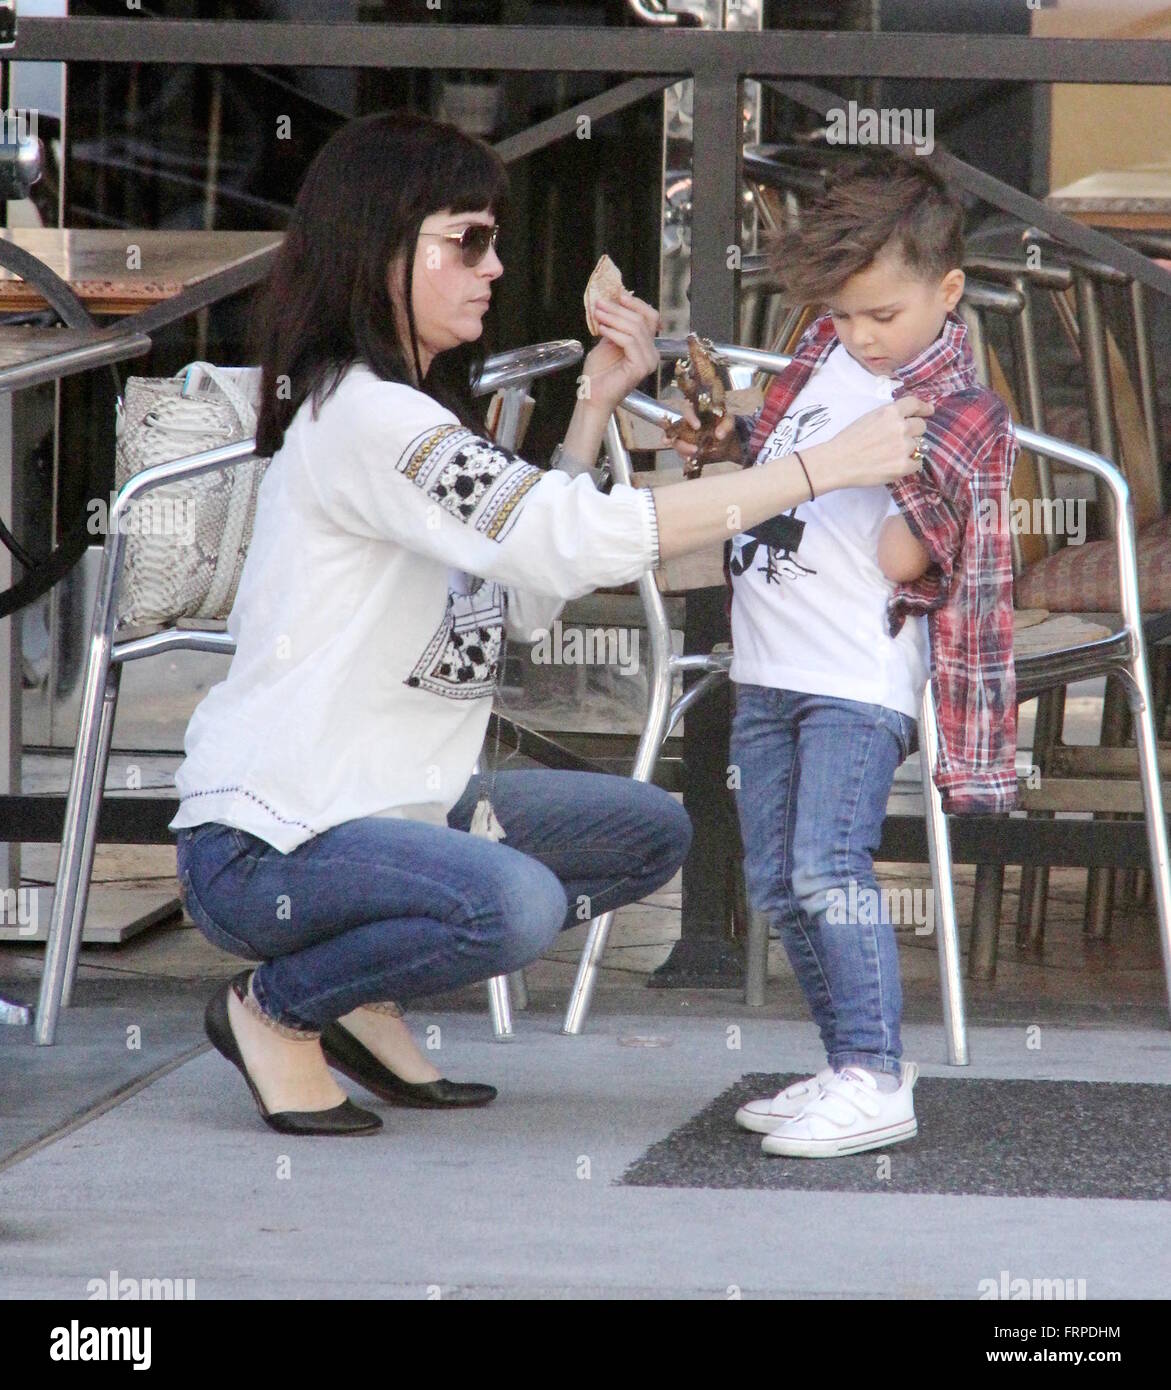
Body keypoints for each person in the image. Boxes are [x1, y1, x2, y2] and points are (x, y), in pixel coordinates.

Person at [171, 112, 931, 1137]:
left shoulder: (416, 417)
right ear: (378, 248)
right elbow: (564, 540)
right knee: (512, 903)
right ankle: (273, 1009)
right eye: (465, 241)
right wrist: (813, 470)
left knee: (647, 829)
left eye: (493, 240)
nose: (492, 268)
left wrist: (592, 406)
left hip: (397, 814)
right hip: (269, 843)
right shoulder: (369, 420)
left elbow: (519, 592)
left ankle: (359, 990)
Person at [729, 151, 1018, 1158]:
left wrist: (897, 463)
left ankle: (874, 1074)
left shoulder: (959, 408)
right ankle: (845, 1058)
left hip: (855, 679)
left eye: (880, 316)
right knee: (774, 878)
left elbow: (905, 557)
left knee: (827, 865)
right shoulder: (822, 355)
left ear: (947, 292)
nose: (860, 334)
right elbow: (773, 467)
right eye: (844, 312)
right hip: (767, 668)